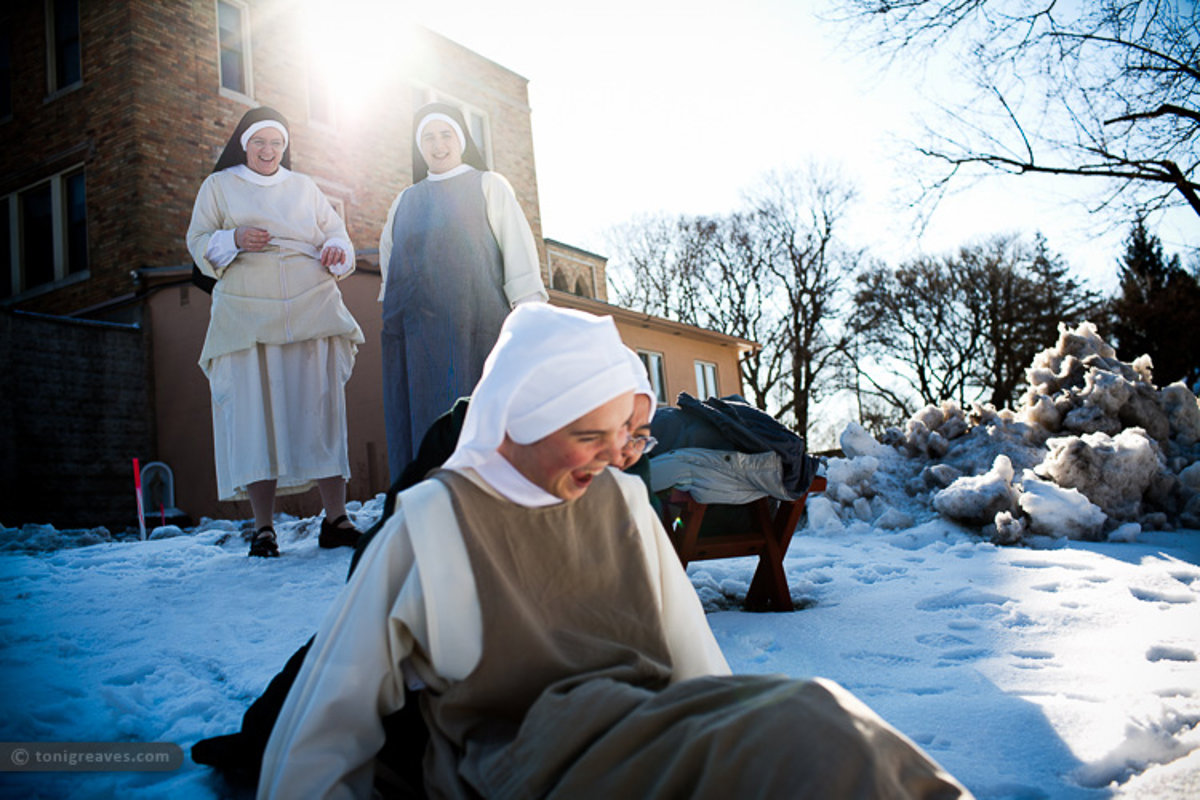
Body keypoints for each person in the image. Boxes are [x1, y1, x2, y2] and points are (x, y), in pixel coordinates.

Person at [257, 304, 971, 799]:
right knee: (812, 741)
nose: (613, 458)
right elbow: (329, 720)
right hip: (521, 764)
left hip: (646, 731)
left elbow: (693, 662)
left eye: (627, 438)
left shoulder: (622, 501)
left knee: (820, 726)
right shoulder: (436, 520)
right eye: (591, 437)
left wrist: (726, 733)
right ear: (526, 416)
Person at [186, 107, 365, 557]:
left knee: (320, 410)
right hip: (247, 311)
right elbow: (198, 240)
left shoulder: (304, 187)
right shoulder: (219, 186)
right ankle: (263, 527)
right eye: (260, 142)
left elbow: (336, 233)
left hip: (310, 304)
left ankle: (336, 518)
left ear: (285, 148)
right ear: (244, 144)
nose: (269, 151)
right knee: (254, 416)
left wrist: (335, 252)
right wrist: (233, 238)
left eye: (277, 144)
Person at [378, 101, 548, 482]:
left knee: (480, 425)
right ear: (418, 146)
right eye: (428, 137)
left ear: (461, 139)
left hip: (478, 332)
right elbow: (391, 278)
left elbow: (519, 257)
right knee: (425, 438)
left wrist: (529, 321)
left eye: (446, 135)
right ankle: (427, 510)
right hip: (418, 349)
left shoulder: (489, 185)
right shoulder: (404, 202)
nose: (438, 145)